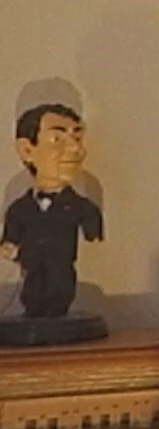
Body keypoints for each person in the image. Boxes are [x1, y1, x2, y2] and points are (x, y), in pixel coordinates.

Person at [2, 104, 103, 318]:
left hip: (61, 267)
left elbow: (94, 238)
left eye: (77, 138)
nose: (75, 149)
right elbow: (10, 239)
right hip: (31, 265)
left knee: (59, 289)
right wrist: (11, 249)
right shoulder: (19, 208)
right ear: (27, 150)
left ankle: (55, 311)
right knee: (33, 291)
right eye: (57, 139)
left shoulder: (81, 206)